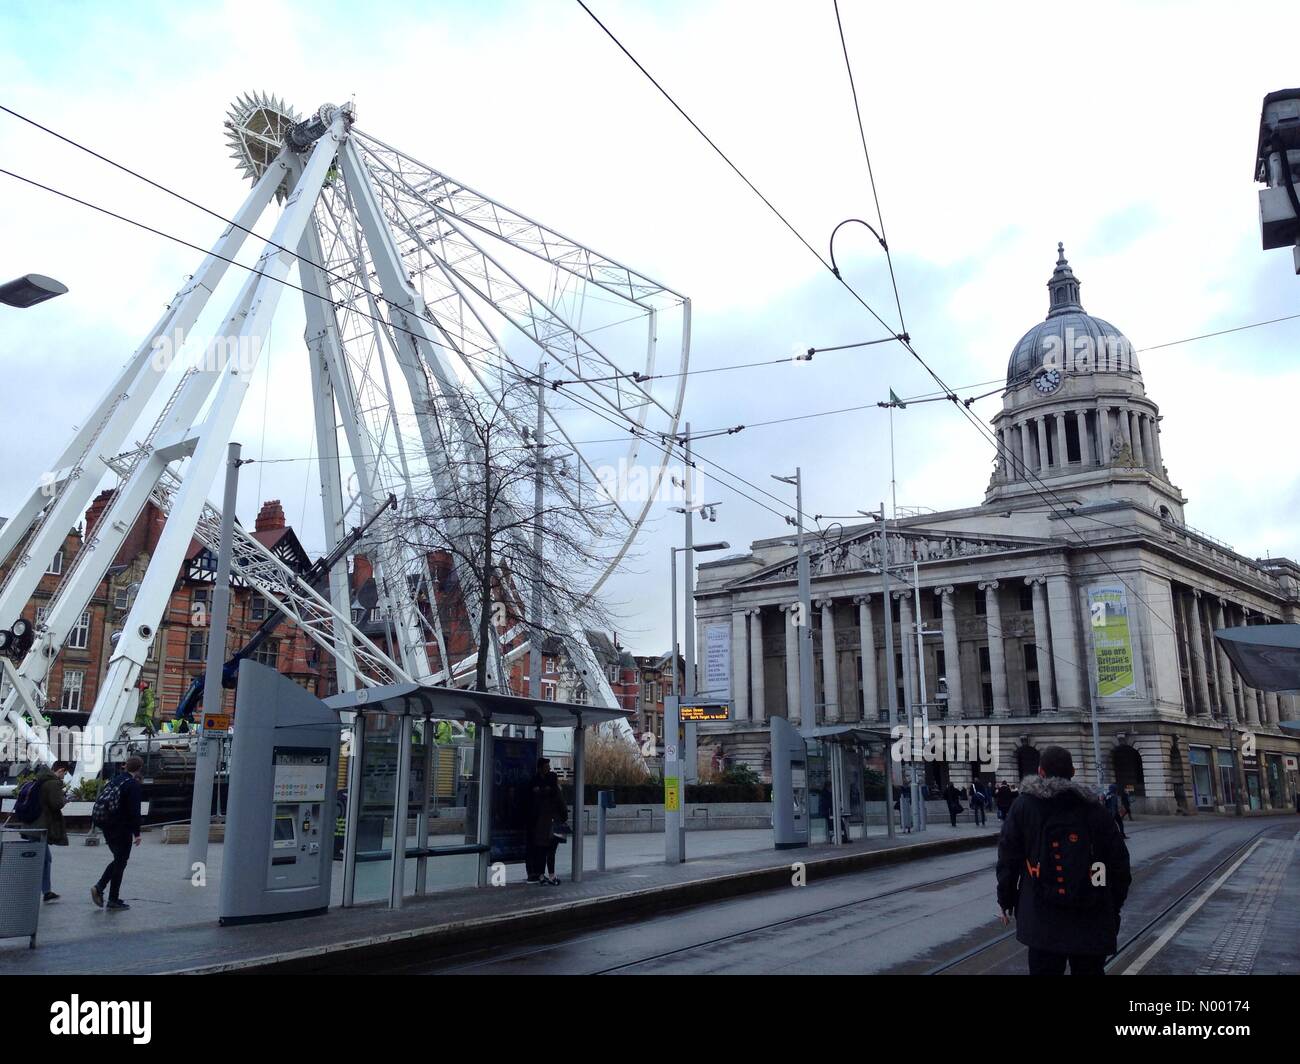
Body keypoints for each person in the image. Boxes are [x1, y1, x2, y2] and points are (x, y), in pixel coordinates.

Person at [996, 746, 1131, 976]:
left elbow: (1008, 858)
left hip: (1042, 915)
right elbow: (1119, 864)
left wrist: (1005, 901)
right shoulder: (1094, 808)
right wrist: (1112, 905)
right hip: (1091, 912)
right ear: (1073, 771)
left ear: (1040, 772)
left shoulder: (1024, 807)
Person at [90, 756, 144, 911]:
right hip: (121, 827)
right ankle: (101, 888)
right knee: (120, 861)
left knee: (119, 861)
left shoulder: (116, 780)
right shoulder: (132, 784)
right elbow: (134, 811)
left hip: (107, 825)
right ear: (139, 768)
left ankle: (113, 898)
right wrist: (137, 833)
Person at [24, 760, 70, 901]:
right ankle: (41, 891)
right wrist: (65, 799)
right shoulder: (53, 783)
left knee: (42, 858)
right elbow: (56, 804)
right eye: (65, 773)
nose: (64, 776)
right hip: (41, 827)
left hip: (31, 825)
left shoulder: (39, 780)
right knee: (42, 859)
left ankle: (45, 890)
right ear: (61, 770)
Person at [538, 770, 569, 886]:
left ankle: (541, 876)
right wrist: (563, 819)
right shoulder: (556, 791)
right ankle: (552, 876)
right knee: (551, 851)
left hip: (541, 825)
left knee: (542, 850)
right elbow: (563, 808)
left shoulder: (542, 791)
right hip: (553, 825)